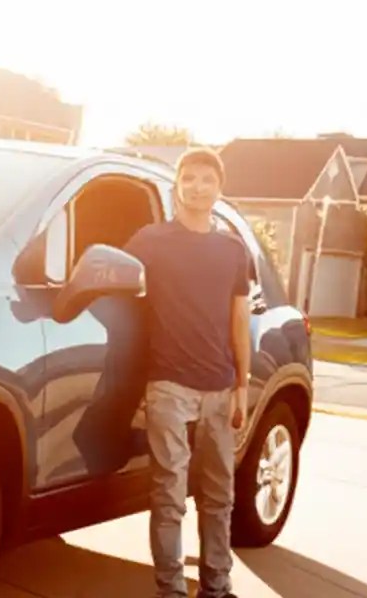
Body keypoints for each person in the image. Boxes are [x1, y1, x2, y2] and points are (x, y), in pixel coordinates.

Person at [122, 146, 252, 598]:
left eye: (207, 179)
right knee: (169, 495)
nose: (198, 187)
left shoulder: (234, 250)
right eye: (189, 179)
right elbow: (120, 300)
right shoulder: (150, 241)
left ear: (220, 187)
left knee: (219, 497)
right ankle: (171, 590)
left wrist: (242, 385)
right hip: (167, 384)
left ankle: (216, 587)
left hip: (220, 386)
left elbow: (240, 321)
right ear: (177, 186)